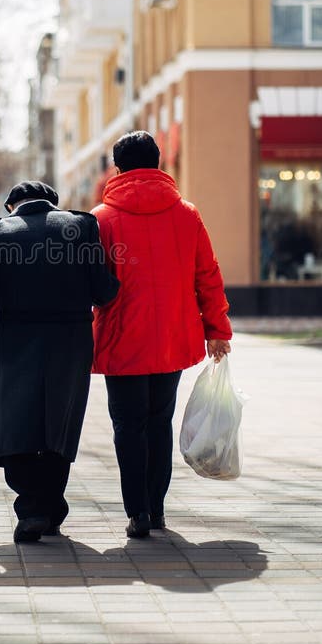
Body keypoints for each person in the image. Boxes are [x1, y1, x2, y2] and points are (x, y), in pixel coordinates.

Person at [0, 180, 120, 543]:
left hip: (16, 339)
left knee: (14, 423)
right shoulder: (80, 227)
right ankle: (49, 507)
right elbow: (103, 291)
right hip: (71, 341)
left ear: (12, 207)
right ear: (53, 205)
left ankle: (34, 507)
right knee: (58, 425)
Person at [92, 131, 232, 539]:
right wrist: (217, 329)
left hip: (122, 339)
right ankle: (156, 509)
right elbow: (207, 274)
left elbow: (92, 284)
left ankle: (137, 511)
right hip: (174, 334)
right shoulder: (186, 214)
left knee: (127, 425)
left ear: (117, 169)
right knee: (159, 421)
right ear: (158, 164)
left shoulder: (101, 219)